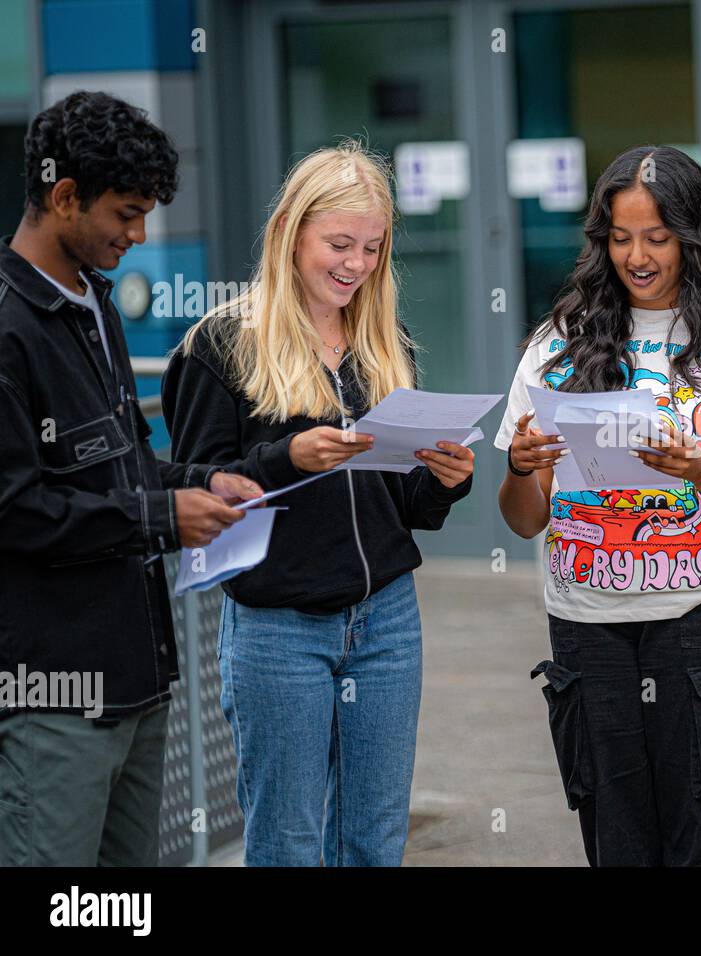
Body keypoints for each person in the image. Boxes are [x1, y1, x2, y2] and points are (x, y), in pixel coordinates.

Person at [162, 141, 475, 866]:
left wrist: (444, 481)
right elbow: (193, 492)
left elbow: (406, 508)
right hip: (278, 628)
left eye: (372, 247)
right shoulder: (220, 346)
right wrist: (284, 459)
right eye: (339, 243)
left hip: (387, 622)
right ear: (287, 234)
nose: (356, 264)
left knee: (374, 840)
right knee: (289, 843)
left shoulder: (382, 343)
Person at [495, 145, 701, 866]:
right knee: (617, 848)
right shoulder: (555, 346)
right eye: (620, 237)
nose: (637, 256)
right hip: (587, 635)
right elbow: (524, 518)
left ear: (695, 239)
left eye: (658, 238)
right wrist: (519, 468)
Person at [0, 91, 259, 866]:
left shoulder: (95, 306)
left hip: (139, 686)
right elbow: (16, 512)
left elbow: (126, 466)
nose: (139, 237)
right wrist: (160, 518)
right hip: (53, 699)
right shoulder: (9, 330)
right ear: (64, 195)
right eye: (126, 213)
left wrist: (208, 482)